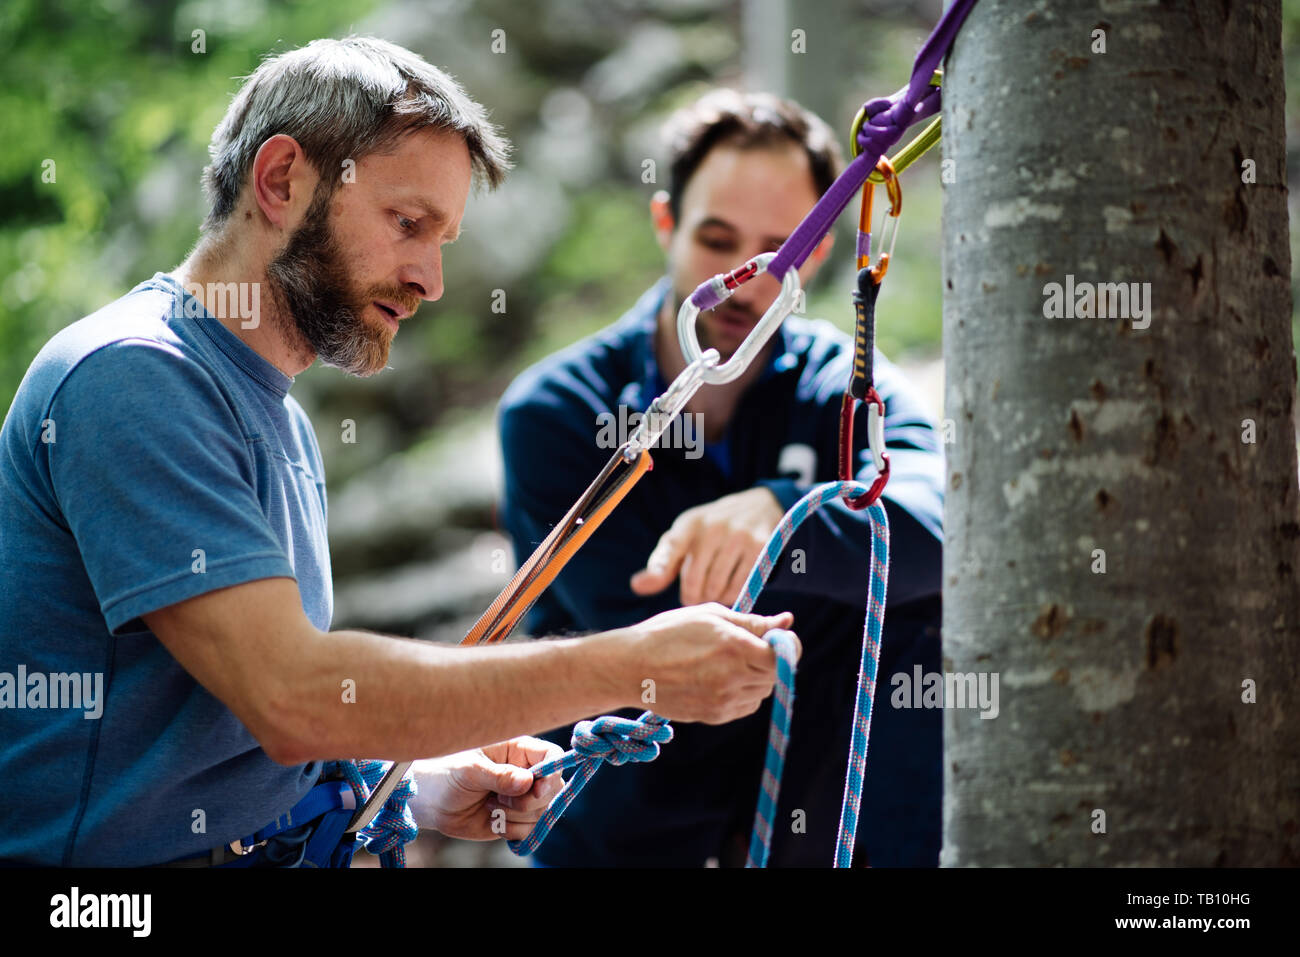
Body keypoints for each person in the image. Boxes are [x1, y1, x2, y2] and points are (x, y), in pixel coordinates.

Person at [0, 38, 801, 868]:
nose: (431, 278)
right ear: (281, 181)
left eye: (443, 238)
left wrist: (408, 781)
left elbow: (233, 734)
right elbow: (294, 695)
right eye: (408, 223)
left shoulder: (274, 415)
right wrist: (632, 664)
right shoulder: (131, 378)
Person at [499, 89, 944, 867]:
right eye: (717, 240)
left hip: (815, 824)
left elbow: (941, 528)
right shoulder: (559, 412)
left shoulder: (845, 387)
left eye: (779, 248)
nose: (744, 280)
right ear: (665, 224)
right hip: (626, 832)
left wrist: (782, 512)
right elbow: (656, 626)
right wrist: (834, 567)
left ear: (817, 254)